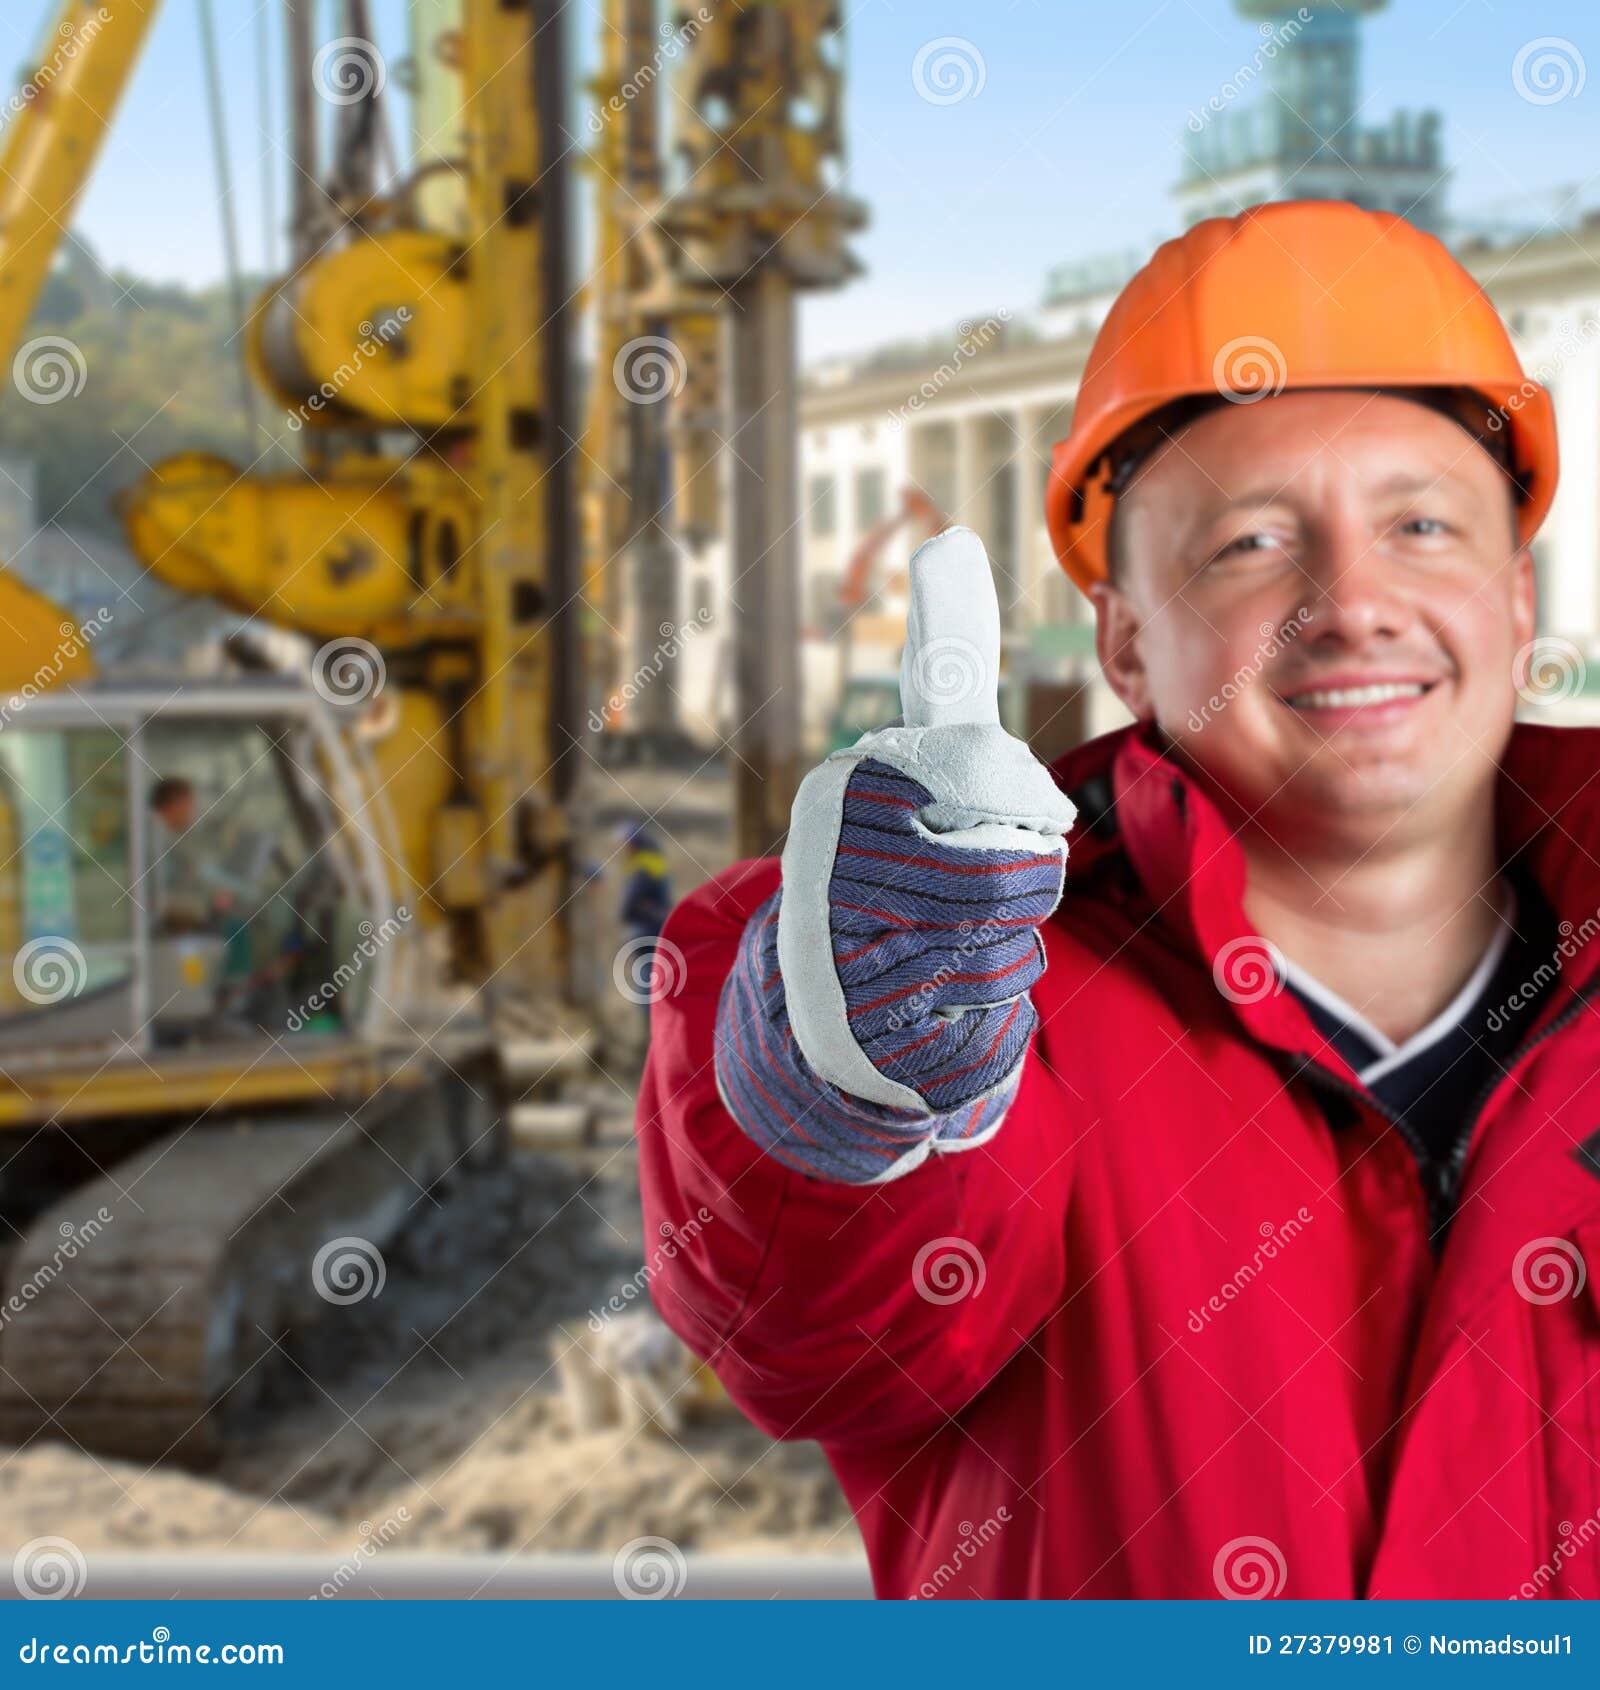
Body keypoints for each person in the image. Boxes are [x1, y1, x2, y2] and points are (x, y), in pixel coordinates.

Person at [635, 200, 1600, 1601]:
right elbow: (814, 1331)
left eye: (1421, 525)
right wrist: (855, 1100)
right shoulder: (999, 1002)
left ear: (1517, 600)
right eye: (1251, 544)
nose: (1353, 602)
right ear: (1127, 642)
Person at [618, 821, 673, 1041]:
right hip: (657, 930)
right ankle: (655, 1037)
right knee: (655, 982)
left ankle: (649, 1040)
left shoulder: (642, 867)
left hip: (644, 932)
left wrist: (624, 914)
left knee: (646, 984)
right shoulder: (656, 862)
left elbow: (630, 903)